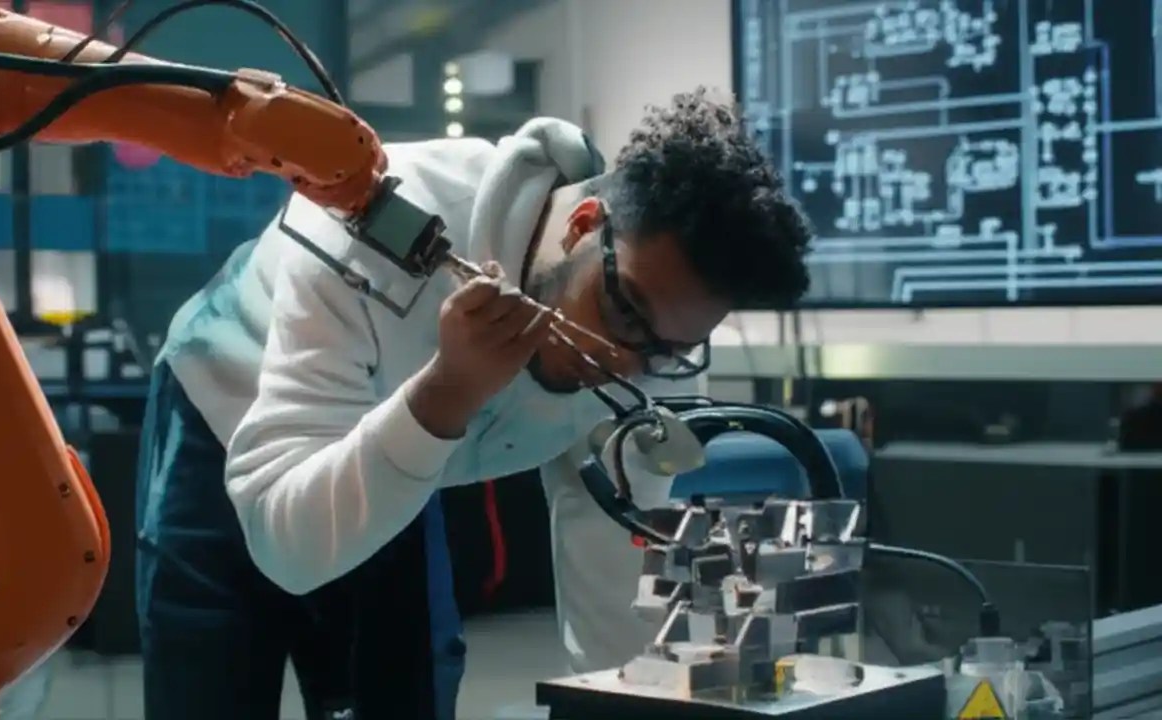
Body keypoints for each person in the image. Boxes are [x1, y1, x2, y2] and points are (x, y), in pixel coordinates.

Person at [134, 86, 813, 720]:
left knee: (410, 689)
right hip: (225, 403)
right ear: (583, 223)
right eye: (624, 317)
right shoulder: (362, 212)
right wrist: (443, 394)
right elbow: (288, 552)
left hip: (408, 439)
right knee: (209, 678)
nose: (624, 363)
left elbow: (615, 579)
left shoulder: (654, 346)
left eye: (669, 350)